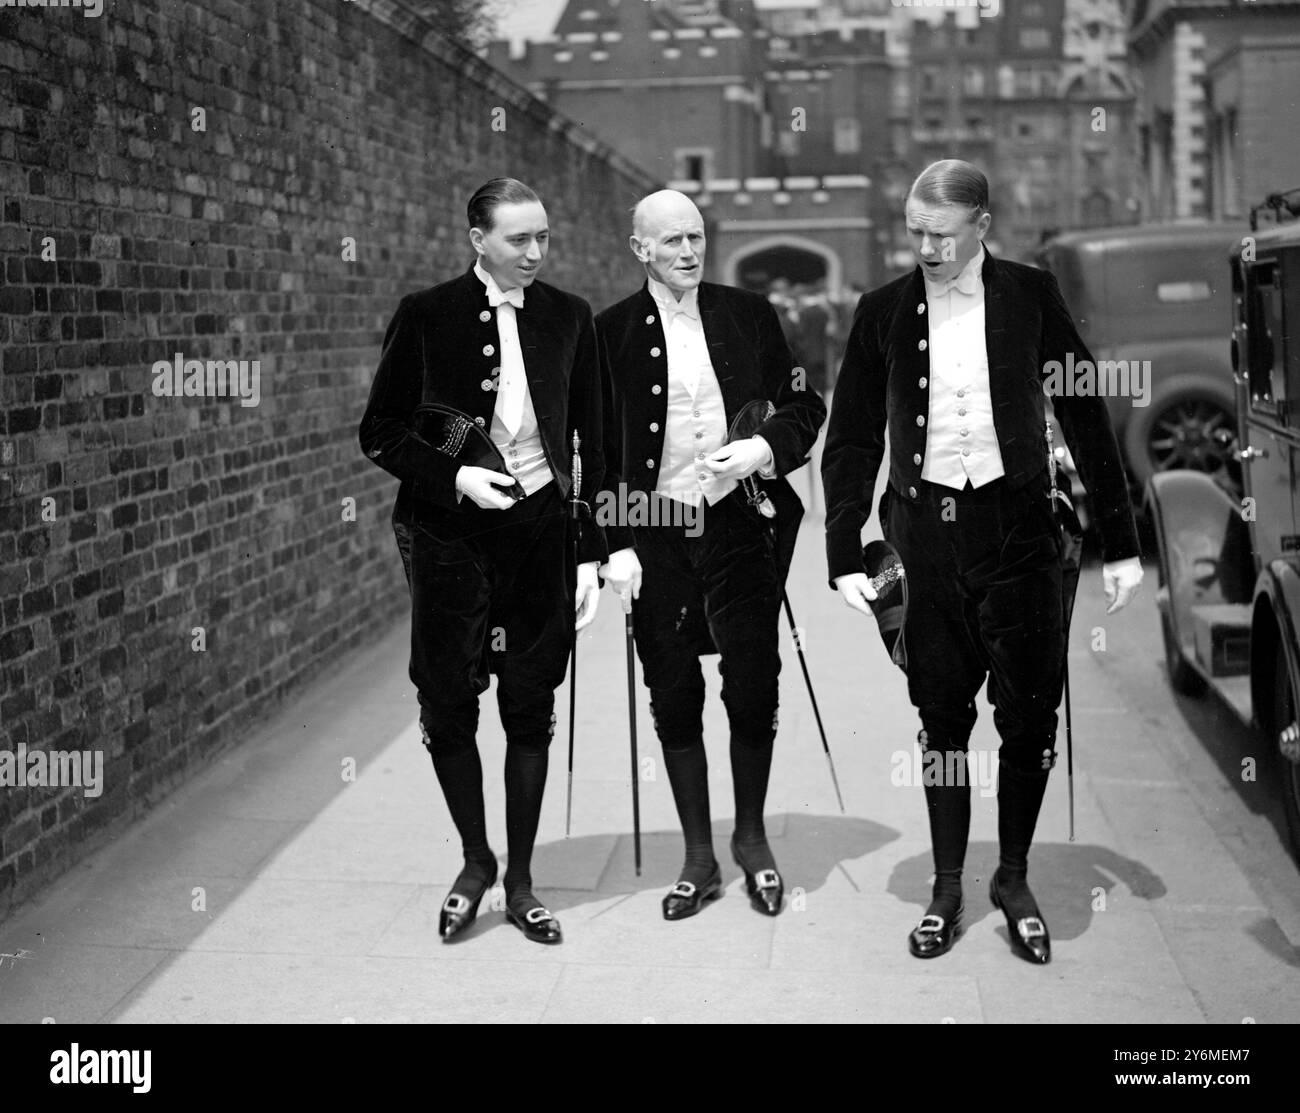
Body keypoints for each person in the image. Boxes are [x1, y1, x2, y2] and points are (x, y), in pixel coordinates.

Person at [821, 160, 1143, 964]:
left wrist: (1124, 537)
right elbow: (853, 435)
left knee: (1031, 716)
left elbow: (1082, 406)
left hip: (1021, 534)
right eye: (915, 232)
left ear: (981, 227)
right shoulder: (882, 310)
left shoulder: (1031, 296)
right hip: (925, 538)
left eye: (941, 233)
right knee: (941, 717)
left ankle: (1013, 876)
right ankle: (945, 886)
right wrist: (840, 551)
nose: (925, 246)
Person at [358, 178, 607, 946]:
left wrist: (591, 555)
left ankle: (524, 881)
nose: (534, 253)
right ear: (477, 239)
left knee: (531, 702)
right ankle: (475, 861)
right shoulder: (427, 315)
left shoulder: (570, 316)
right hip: (448, 538)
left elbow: (593, 443)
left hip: (540, 532)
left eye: (542, 239)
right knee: (447, 699)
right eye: (517, 240)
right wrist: (456, 475)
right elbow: (381, 431)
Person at [595, 190, 826, 920]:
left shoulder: (748, 315)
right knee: (671, 687)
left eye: (696, 237)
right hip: (655, 529)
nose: (689, 252)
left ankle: (751, 837)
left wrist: (763, 448)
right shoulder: (609, 334)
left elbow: (804, 407)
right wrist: (610, 544)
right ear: (641, 250)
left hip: (739, 523)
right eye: (671, 242)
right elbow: (592, 454)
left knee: (754, 679)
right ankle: (699, 854)